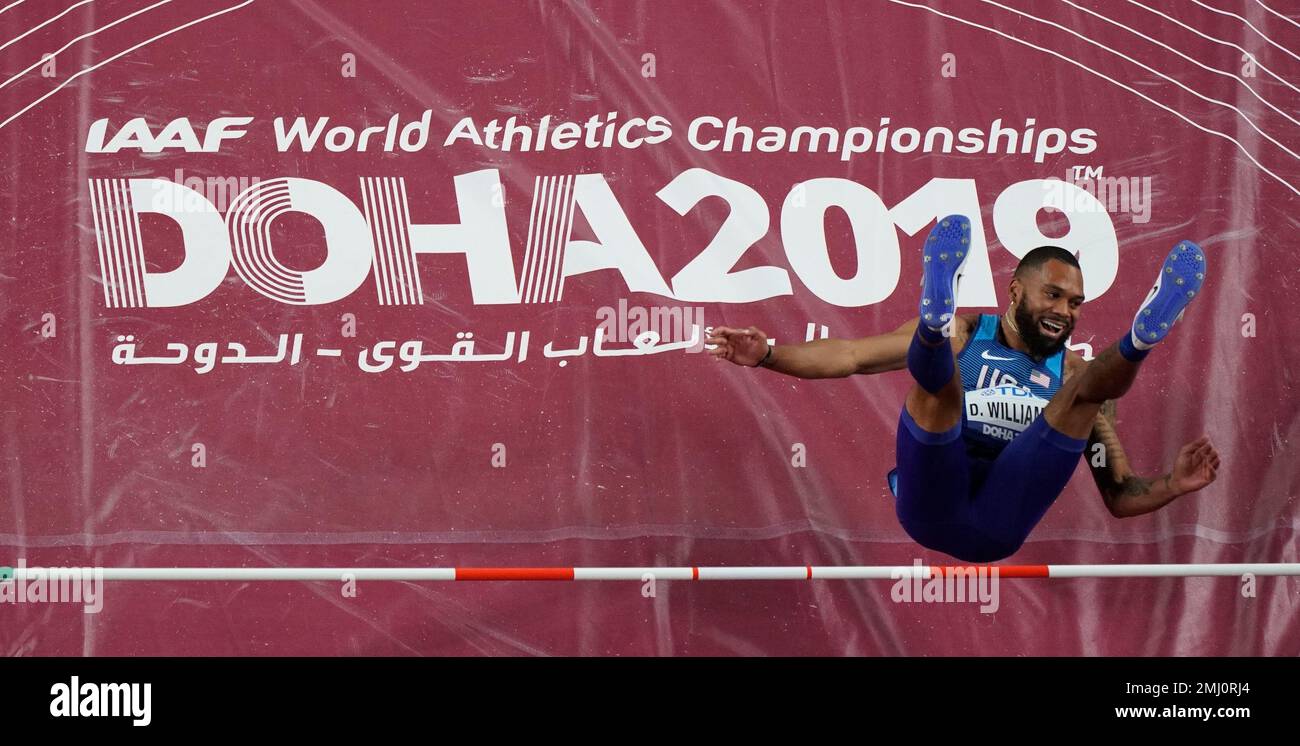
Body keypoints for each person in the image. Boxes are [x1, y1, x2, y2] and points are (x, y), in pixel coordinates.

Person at [707, 215, 1220, 562]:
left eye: (1076, 303)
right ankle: (931, 321)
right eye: (1054, 295)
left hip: (1002, 521)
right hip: (932, 503)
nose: (1065, 312)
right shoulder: (969, 332)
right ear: (1015, 290)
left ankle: (1140, 337)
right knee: (942, 384)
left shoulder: (1074, 373)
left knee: (1083, 392)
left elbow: (1119, 492)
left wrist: (1172, 485)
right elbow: (850, 356)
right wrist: (769, 356)